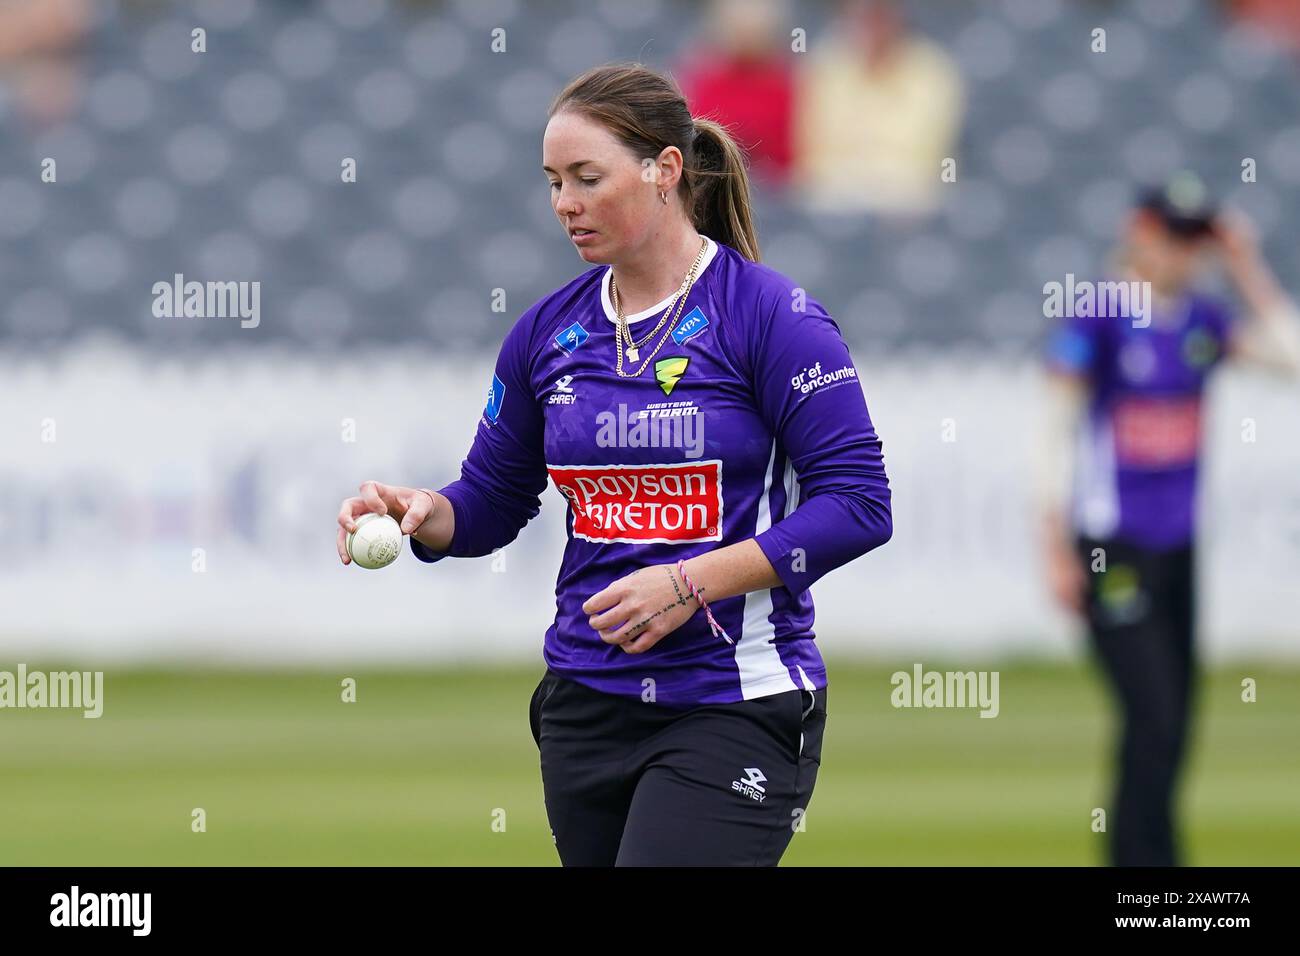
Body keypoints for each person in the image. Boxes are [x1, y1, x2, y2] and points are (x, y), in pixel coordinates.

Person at [336, 63, 892, 867]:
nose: (565, 202)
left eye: (587, 178)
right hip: (584, 704)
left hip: (731, 703)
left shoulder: (774, 317)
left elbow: (859, 505)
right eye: (554, 181)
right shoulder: (544, 333)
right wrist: (424, 512)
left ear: (664, 171)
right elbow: (492, 499)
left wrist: (689, 581)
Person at [1038, 172, 1300, 866]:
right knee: (1152, 710)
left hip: (1178, 548)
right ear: (1141, 232)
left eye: (1197, 239)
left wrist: (1246, 263)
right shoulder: (1098, 315)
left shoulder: (1202, 324)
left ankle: (1149, 861)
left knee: (1176, 721)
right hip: (1110, 549)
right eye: (1173, 235)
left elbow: (1294, 359)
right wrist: (1055, 548)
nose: (1185, 253)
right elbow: (1055, 437)